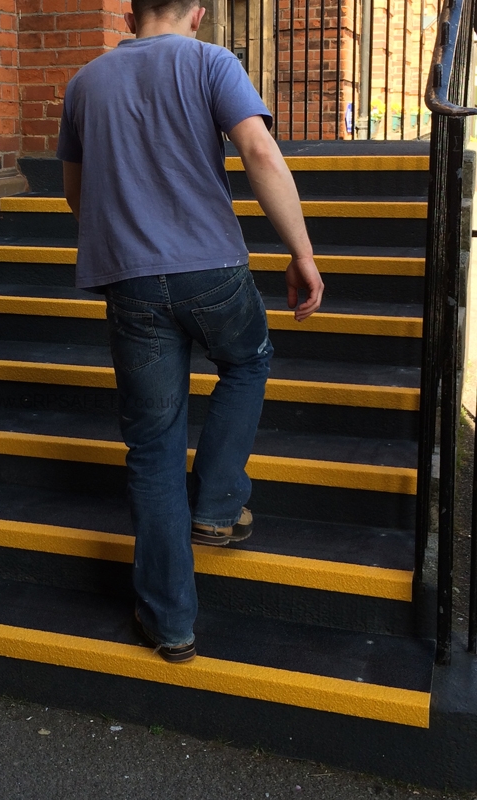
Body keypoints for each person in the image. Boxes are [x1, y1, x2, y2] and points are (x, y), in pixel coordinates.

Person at [56, 0, 324, 663]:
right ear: (198, 13)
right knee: (248, 359)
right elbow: (258, 149)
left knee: (152, 444)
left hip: (130, 280)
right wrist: (302, 253)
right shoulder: (212, 63)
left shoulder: (84, 84)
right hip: (213, 271)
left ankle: (171, 625)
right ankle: (219, 501)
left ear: (128, 13)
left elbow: (74, 193)